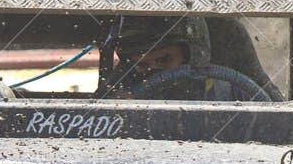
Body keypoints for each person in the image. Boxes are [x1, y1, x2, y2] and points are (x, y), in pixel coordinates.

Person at [108, 15, 271, 101]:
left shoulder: (233, 91)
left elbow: (281, 114)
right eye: (143, 65)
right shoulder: (127, 82)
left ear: (192, 55)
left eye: (164, 60)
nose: (153, 73)